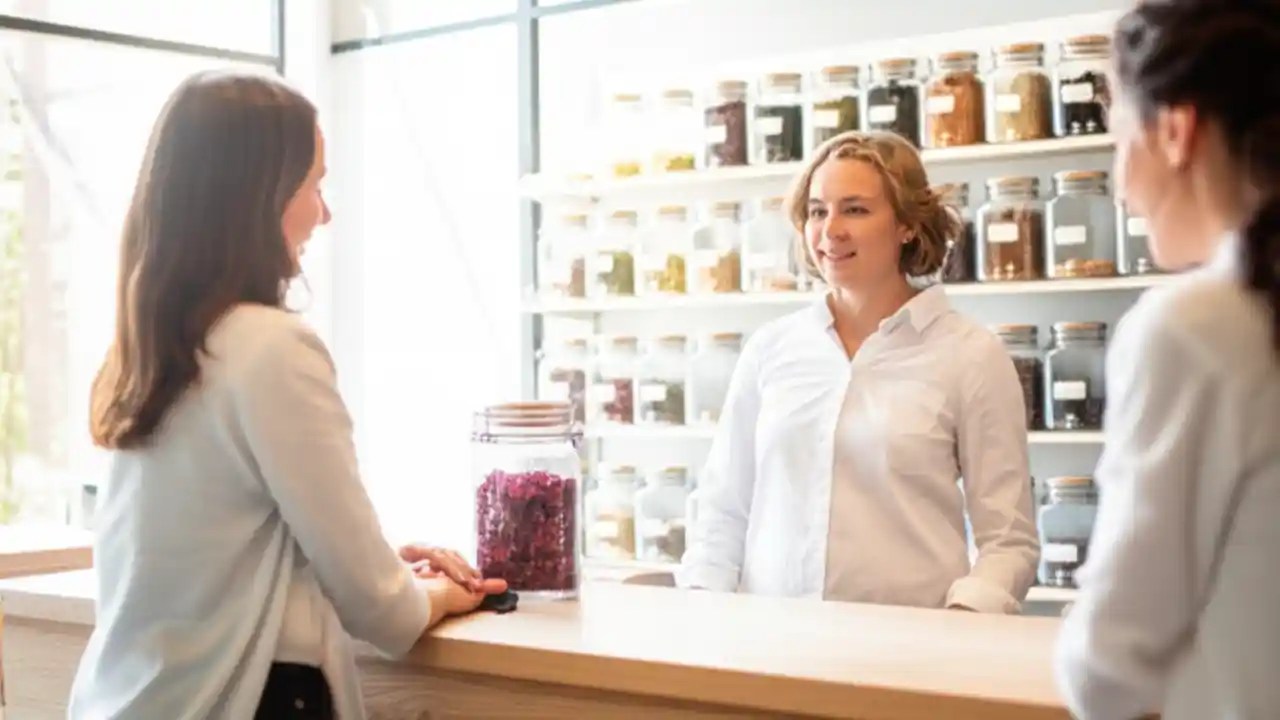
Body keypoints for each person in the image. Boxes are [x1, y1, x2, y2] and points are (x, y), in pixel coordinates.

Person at [69, 71, 505, 720]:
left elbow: (217, 551)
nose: (323, 214)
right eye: (314, 185)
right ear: (256, 197)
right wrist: (443, 593)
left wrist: (380, 563)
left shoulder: (150, 348)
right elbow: (381, 610)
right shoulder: (272, 348)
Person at [678, 130, 1039, 613]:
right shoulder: (771, 350)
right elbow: (722, 512)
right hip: (770, 648)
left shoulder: (970, 355)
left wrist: (963, 622)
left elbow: (1009, 539)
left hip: (910, 656)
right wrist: (700, 609)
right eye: (817, 211)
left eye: (856, 209)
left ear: (907, 225)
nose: (831, 231)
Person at [1055, 2, 1280, 718]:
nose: (1121, 186)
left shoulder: (1195, 328)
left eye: (1122, 138)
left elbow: (1111, 662)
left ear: (1176, 131)